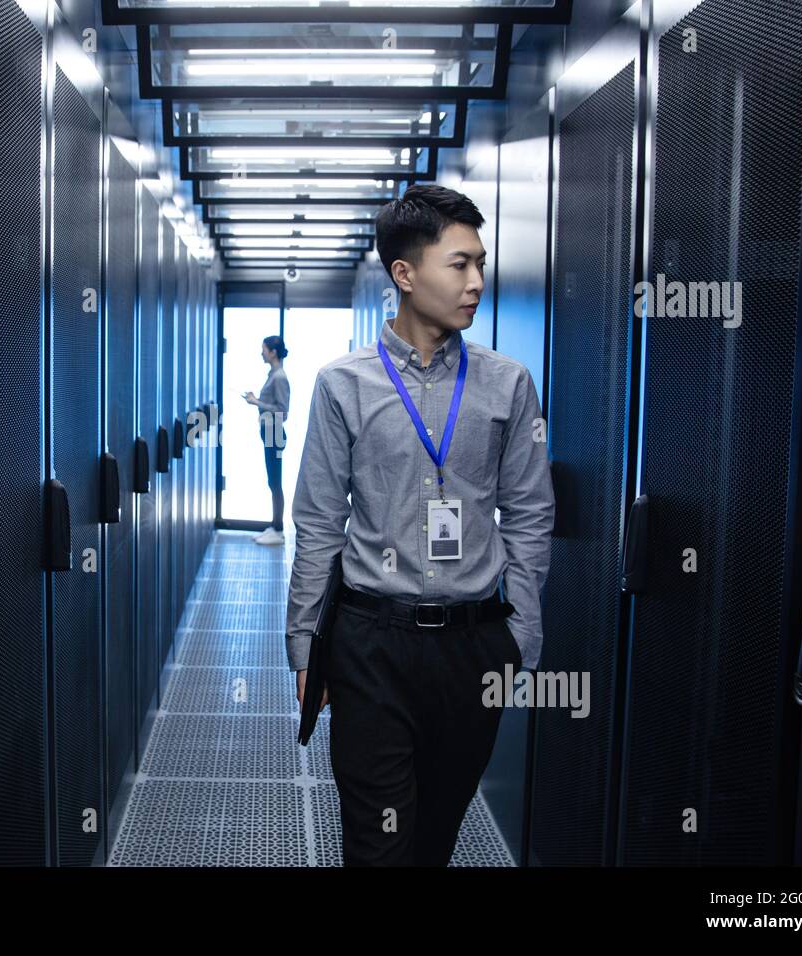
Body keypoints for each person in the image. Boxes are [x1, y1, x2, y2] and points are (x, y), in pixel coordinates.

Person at [285, 183, 554, 866]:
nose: (477, 283)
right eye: (459, 264)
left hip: (473, 646)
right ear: (405, 275)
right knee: (380, 847)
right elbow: (319, 523)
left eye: (481, 264)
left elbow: (529, 511)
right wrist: (306, 648)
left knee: (433, 842)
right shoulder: (342, 385)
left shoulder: (509, 385)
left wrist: (518, 632)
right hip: (372, 643)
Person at [243, 335, 291, 546]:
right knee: (272, 481)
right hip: (269, 432)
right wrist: (257, 400)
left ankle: (279, 530)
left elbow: (283, 411)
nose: (261, 352)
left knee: (276, 481)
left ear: (272, 352)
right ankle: (274, 526)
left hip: (275, 433)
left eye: (263, 349)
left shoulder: (279, 376)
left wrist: (256, 402)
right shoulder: (272, 374)